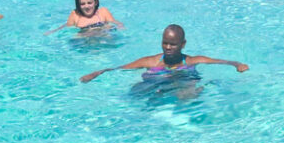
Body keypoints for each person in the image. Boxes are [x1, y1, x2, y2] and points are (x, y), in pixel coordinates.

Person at [79, 24, 248, 84]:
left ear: (183, 44)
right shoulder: (151, 62)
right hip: (158, 84)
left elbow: (222, 61)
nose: (167, 47)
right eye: (165, 43)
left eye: (173, 44)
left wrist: (238, 65)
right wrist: (97, 73)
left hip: (182, 84)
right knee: (136, 91)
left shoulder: (192, 61)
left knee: (188, 92)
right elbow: (121, 68)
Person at [49, 0, 123, 34]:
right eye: (82, 4)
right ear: (78, 5)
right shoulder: (75, 15)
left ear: (96, 2)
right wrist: (54, 31)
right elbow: (67, 28)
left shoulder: (103, 12)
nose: (86, 6)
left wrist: (120, 25)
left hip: (102, 37)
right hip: (84, 41)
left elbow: (114, 23)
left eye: (89, 3)